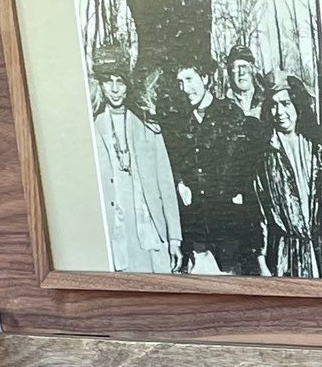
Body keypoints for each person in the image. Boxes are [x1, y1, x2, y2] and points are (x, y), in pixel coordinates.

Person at [87, 52, 178, 273]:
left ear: (128, 85)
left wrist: (175, 237)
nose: (115, 89)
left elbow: (166, 184)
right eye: (109, 82)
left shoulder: (148, 126)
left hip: (150, 232)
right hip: (116, 234)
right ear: (100, 84)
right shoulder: (92, 127)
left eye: (120, 82)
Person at [190, 51, 271, 274]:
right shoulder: (223, 109)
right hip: (238, 195)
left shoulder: (268, 103)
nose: (240, 72)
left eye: (244, 66)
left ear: (253, 68)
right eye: (234, 68)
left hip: (269, 182)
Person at [256, 79, 322, 278]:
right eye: (273, 106)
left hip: (321, 251)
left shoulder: (317, 150)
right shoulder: (265, 155)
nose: (279, 112)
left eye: (285, 104)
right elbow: (259, 211)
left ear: (297, 105)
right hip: (283, 254)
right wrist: (260, 259)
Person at [153, 61, 216, 271]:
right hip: (195, 230)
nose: (185, 89)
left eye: (189, 80)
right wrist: (180, 181)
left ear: (205, 78)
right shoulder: (179, 122)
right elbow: (175, 162)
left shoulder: (228, 114)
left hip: (226, 229)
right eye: (180, 82)